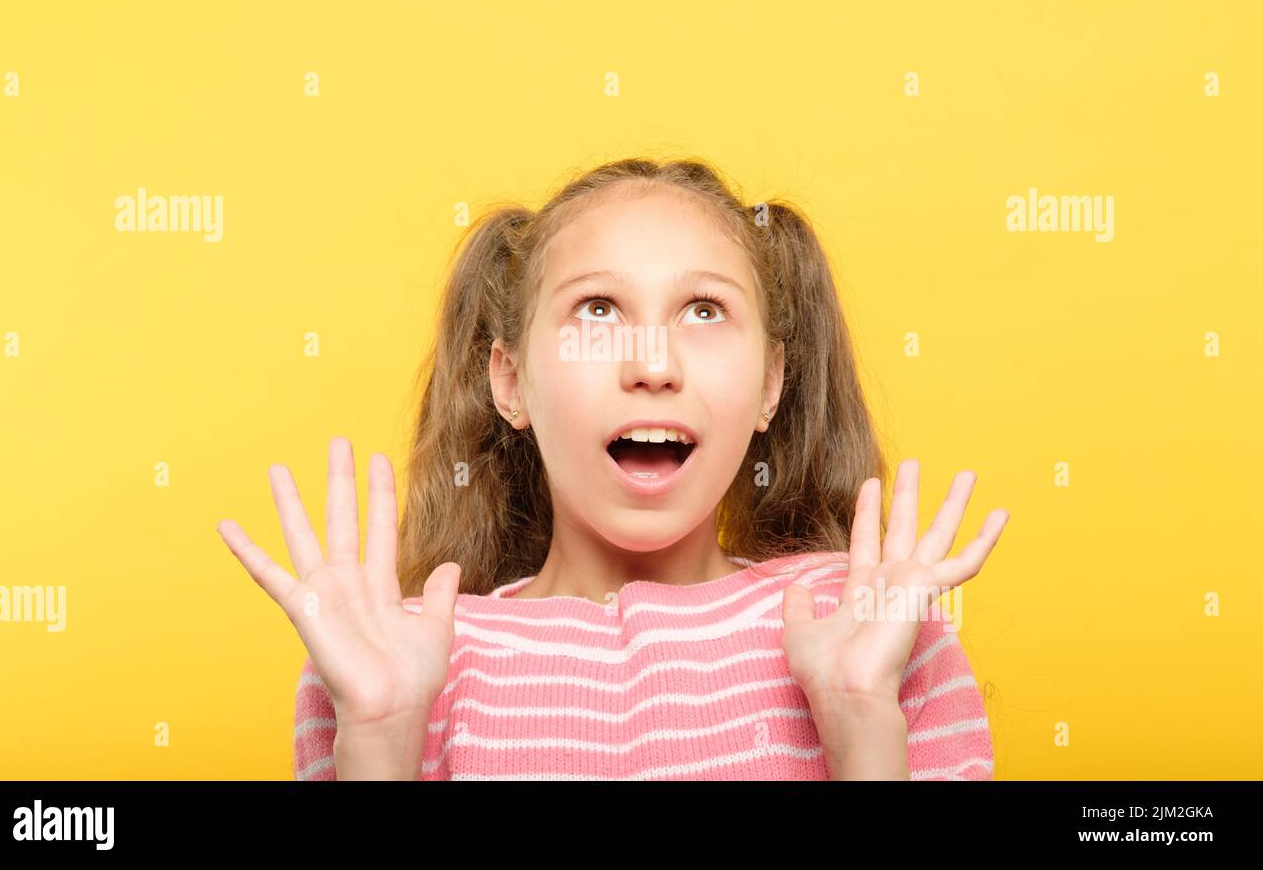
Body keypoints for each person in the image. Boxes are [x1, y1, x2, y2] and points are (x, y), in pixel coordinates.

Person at [216, 156, 1009, 780]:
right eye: (597, 310)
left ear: (771, 384)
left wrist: (864, 724)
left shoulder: (873, 623)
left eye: (704, 310)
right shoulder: (395, 654)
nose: (652, 364)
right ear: (510, 380)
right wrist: (381, 742)